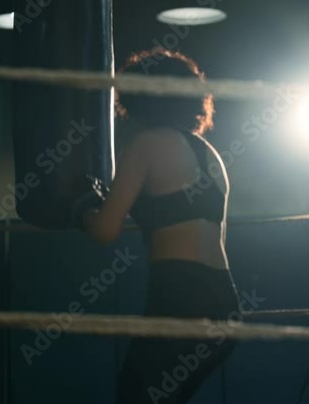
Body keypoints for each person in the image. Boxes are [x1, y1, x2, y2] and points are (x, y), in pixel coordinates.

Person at [76, 48, 240, 404]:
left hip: (181, 295)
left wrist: (83, 208)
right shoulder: (211, 156)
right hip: (224, 302)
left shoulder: (147, 144)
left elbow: (105, 230)